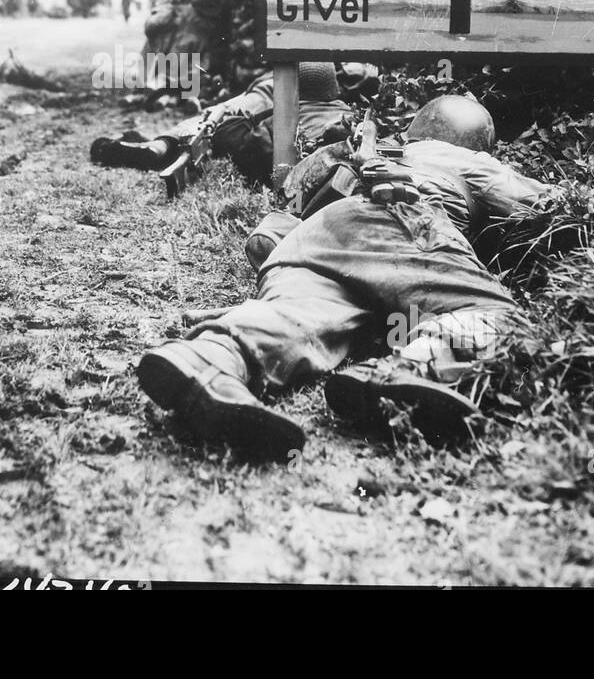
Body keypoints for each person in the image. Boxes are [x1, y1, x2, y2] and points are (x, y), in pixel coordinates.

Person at [134, 95, 562, 460]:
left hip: (314, 237)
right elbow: (553, 212)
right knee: (502, 320)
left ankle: (211, 358)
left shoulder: (372, 147)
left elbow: (295, 189)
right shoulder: (472, 161)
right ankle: (411, 371)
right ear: (476, 141)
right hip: (403, 222)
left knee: (298, 315)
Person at [91, 62, 355, 186]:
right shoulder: (348, 112)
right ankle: (159, 144)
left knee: (219, 115)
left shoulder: (281, 111)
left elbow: (244, 135)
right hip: (334, 162)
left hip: (273, 92)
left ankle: (162, 144)